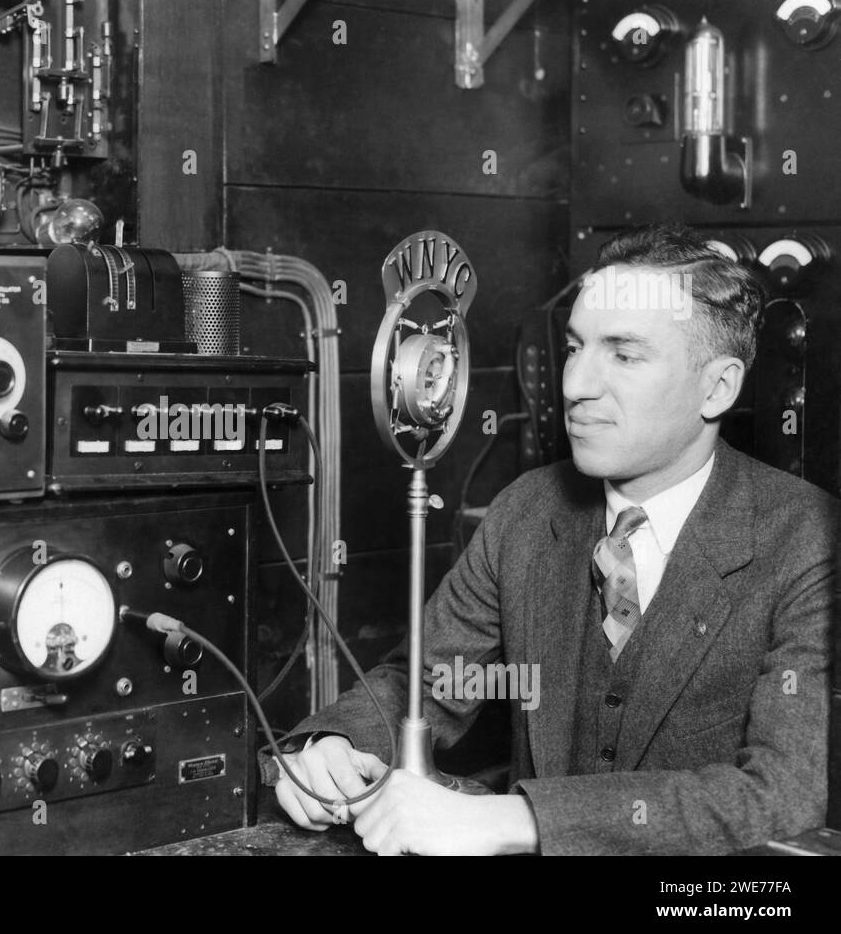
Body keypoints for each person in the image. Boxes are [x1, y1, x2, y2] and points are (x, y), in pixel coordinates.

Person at [267, 223, 838, 855]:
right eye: (574, 348)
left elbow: (785, 793)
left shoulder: (807, 539)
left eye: (624, 354)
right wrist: (336, 744)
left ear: (717, 387)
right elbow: (435, 683)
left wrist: (520, 821)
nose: (574, 386)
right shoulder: (527, 511)